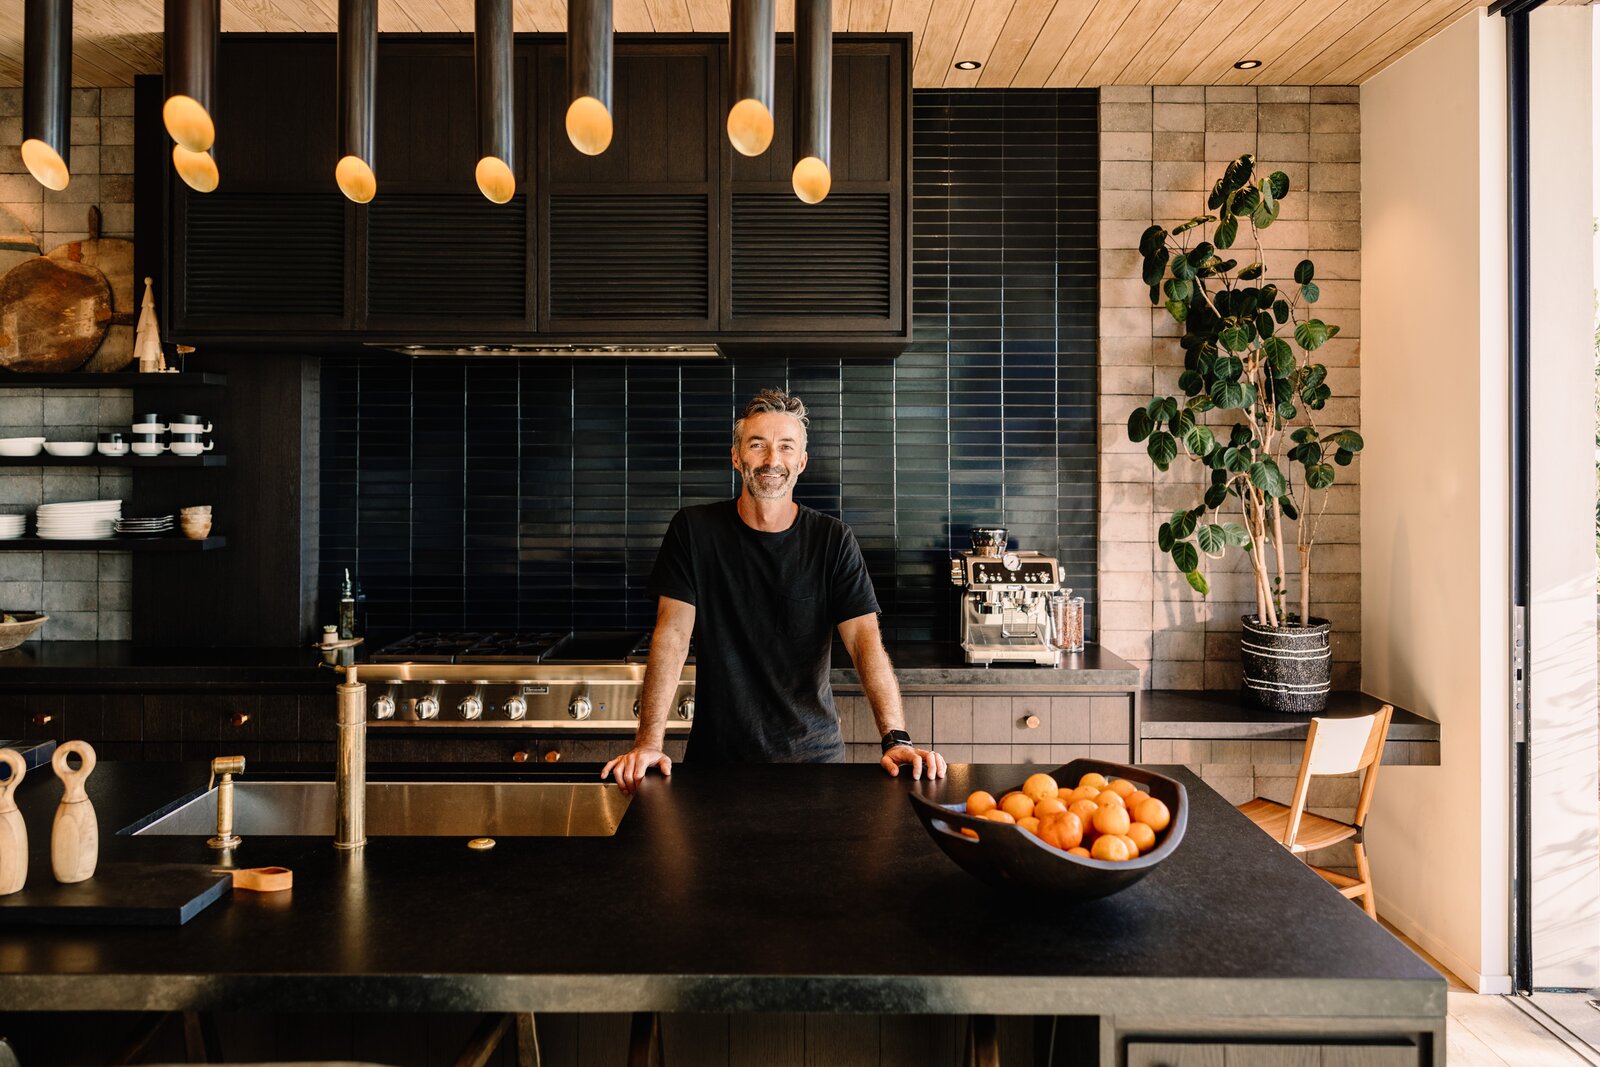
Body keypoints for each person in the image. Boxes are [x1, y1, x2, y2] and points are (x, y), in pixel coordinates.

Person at [602, 388, 947, 792]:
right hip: (717, 762)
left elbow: (864, 641)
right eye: (757, 445)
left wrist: (896, 738)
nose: (772, 460)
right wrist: (648, 743)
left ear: (801, 462)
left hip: (814, 761)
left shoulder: (832, 540)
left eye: (786, 447)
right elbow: (673, 634)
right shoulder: (693, 531)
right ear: (736, 457)